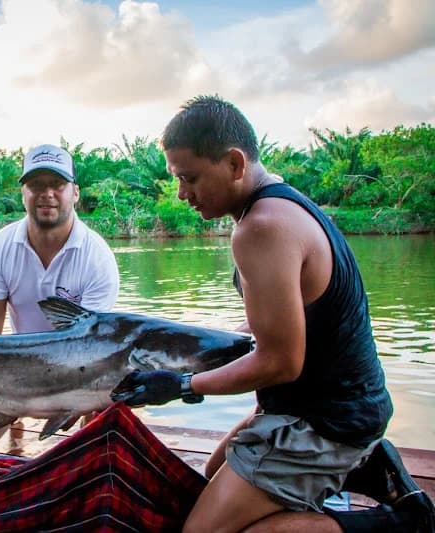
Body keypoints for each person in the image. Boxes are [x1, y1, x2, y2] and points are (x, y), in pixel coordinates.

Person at [112, 95, 434, 532]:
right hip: (340, 405)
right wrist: (198, 350)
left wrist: (182, 384)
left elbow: (282, 362)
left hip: (325, 422)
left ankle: (398, 523)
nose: (182, 193)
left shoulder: (261, 228)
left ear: (234, 164)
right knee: (211, 474)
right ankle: (363, 468)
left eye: (189, 178)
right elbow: (276, 323)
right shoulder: (284, 202)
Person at [0, 143, 119, 452]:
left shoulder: (98, 258)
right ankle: (14, 415)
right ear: (24, 194)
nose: (47, 193)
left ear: (75, 192)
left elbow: (90, 346)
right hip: (14, 371)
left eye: (57, 184)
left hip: (79, 372)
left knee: (106, 418)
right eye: (36, 185)